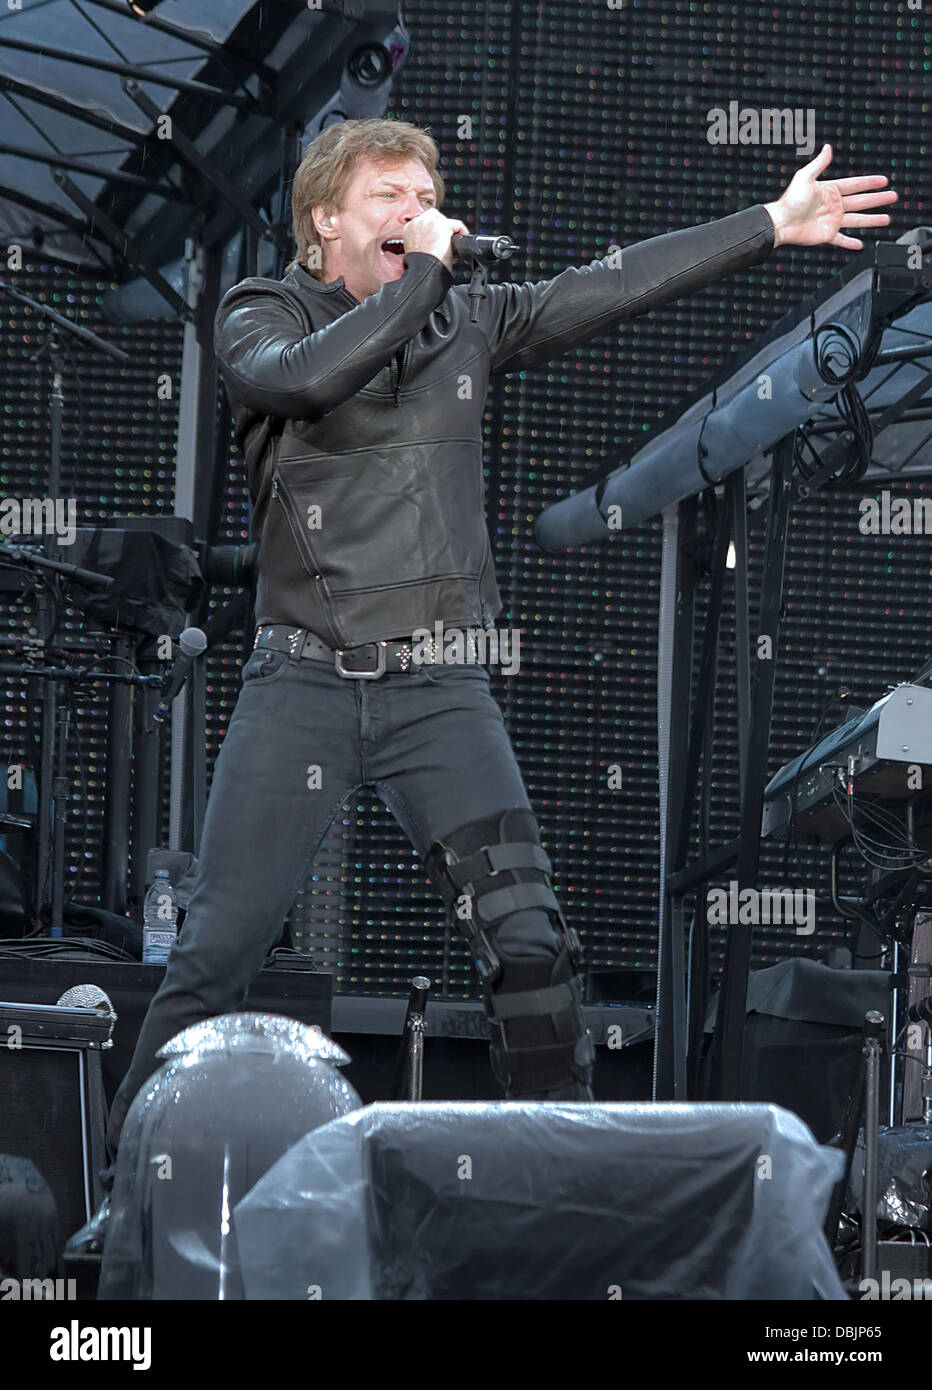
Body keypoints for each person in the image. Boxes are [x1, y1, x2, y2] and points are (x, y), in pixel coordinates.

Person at [92, 118, 895, 1209]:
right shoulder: (263, 312)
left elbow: (611, 286)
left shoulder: (466, 318)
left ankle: (541, 1216)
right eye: (390, 194)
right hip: (303, 687)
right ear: (325, 218)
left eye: (426, 191)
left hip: (439, 692)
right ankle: (117, 1212)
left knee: (530, 947)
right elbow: (304, 382)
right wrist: (422, 273)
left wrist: (769, 222)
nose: (416, 207)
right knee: (216, 957)